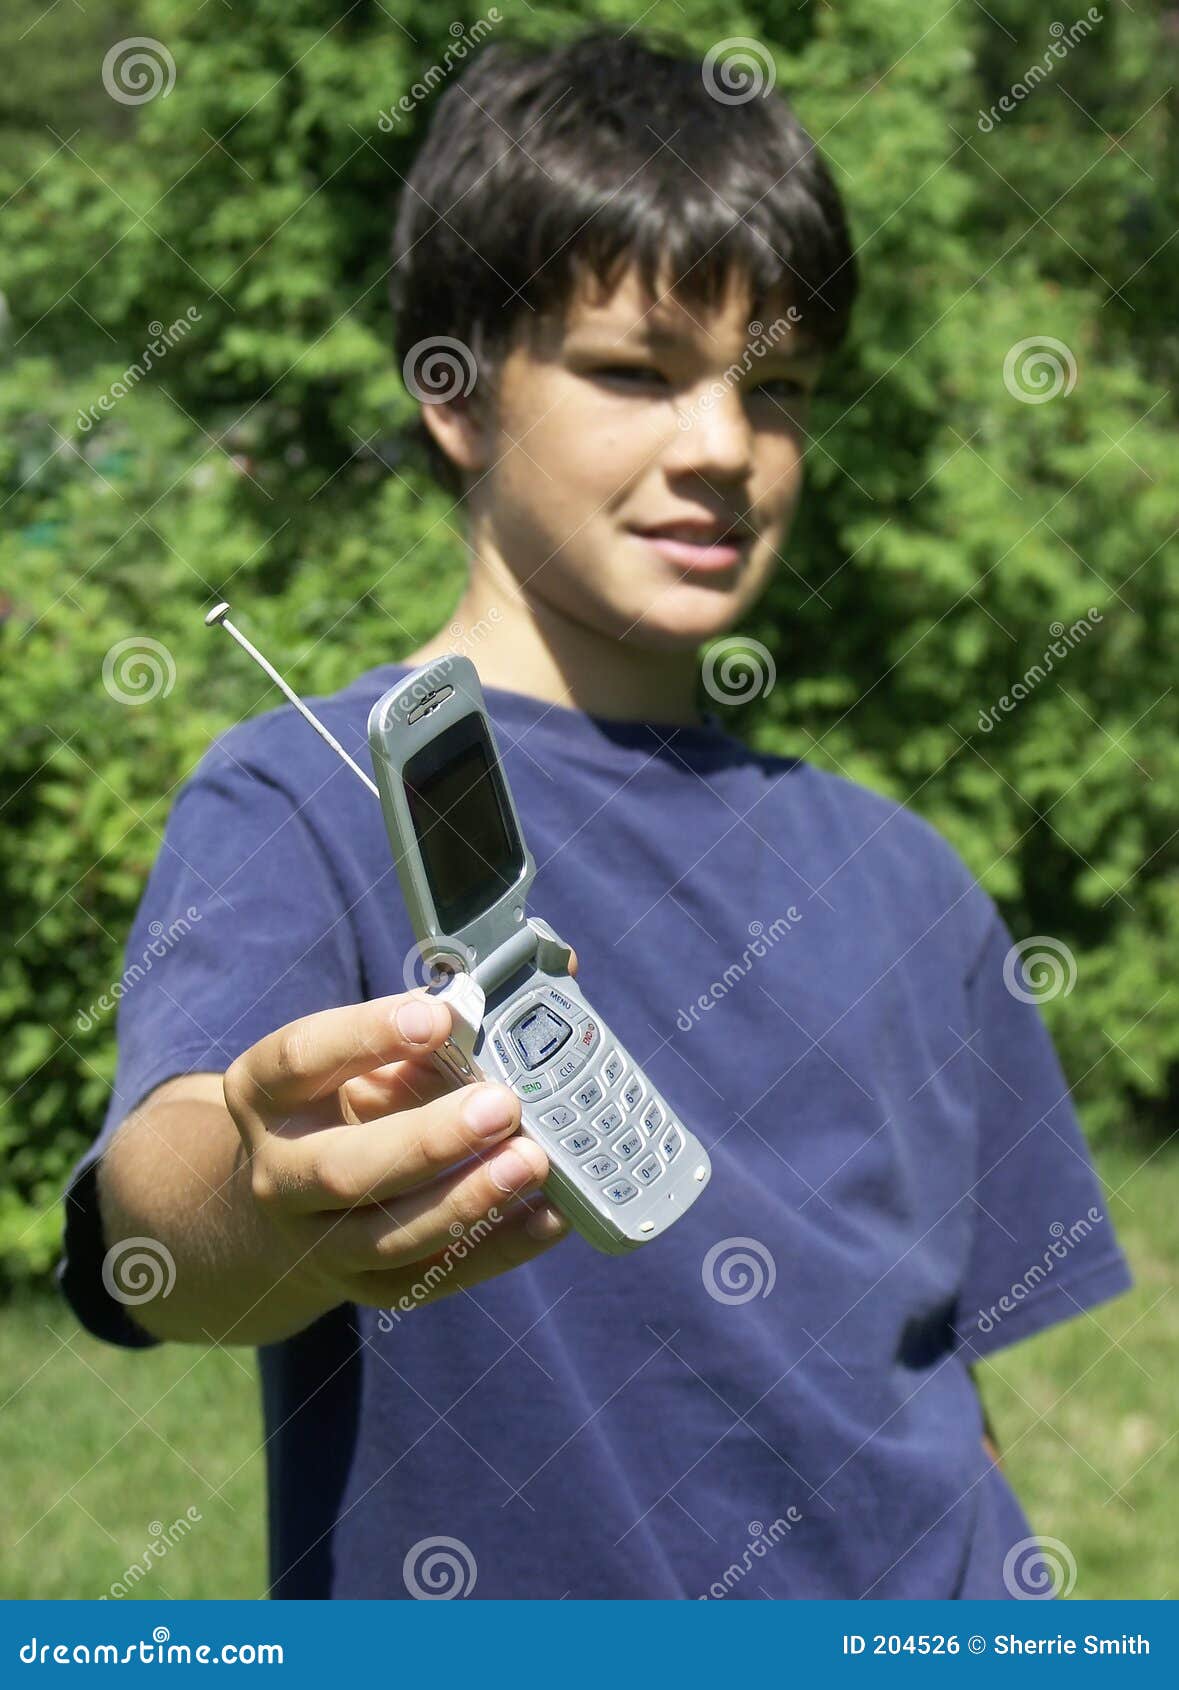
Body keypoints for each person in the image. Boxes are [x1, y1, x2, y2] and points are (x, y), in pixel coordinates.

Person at [59, 27, 1131, 1600]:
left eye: (778, 392)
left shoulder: (905, 872)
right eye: (635, 372)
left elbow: (940, 1404)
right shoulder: (307, 788)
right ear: (457, 394)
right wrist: (265, 1185)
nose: (722, 450)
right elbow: (154, 1227)